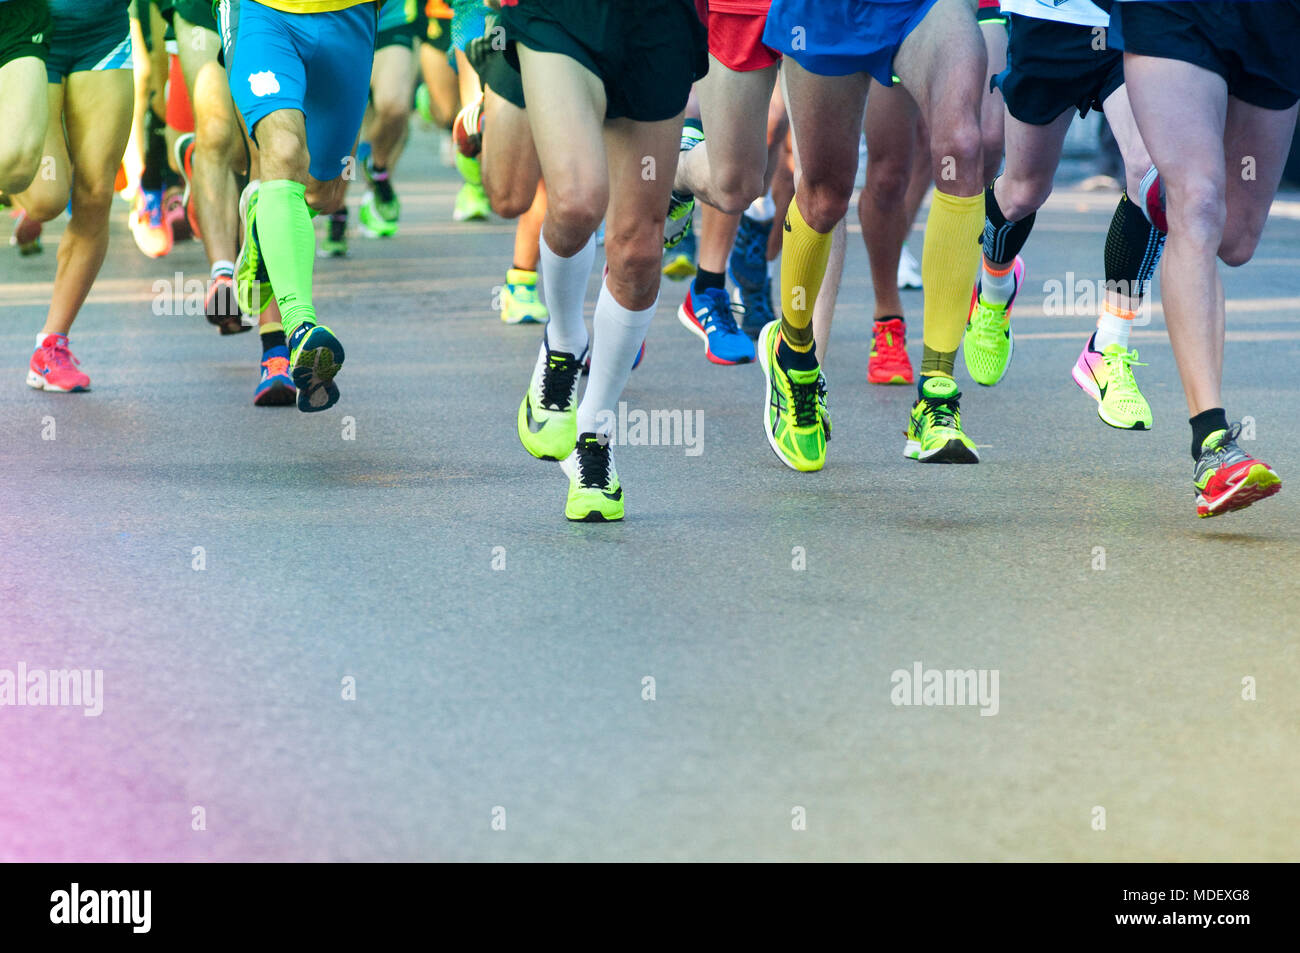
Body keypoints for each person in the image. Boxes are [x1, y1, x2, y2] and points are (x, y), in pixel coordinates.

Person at [760, 0, 988, 470]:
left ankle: (937, 395)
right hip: (826, 14)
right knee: (825, 195)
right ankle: (794, 352)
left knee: (962, 147)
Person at [506, 0, 708, 520]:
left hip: (657, 23)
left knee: (638, 251)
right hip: (560, 14)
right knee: (576, 201)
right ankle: (564, 341)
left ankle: (593, 436)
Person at [1117, 0, 1297, 515]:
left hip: (1273, 19)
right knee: (1197, 205)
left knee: (1235, 238)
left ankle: (1171, 185)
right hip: (1172, 10)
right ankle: (1213, 444)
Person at [967, 0, 1167, 435]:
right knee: (1024, 192)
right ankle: (994, 288)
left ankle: (1109, 345)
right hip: (1048, 23)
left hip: (1129, 24)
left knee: (1151, 173)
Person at [219, 0, 379, 414]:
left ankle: (260, 230)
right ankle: (299, 328)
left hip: (350, 15)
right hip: (262, 12)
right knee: (284, 152)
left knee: (322, 193)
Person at [13, 0, 134, 394]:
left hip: (103, 33)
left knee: (97, 194)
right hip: (30, 31)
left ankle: (52, 345)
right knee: (46, 199)